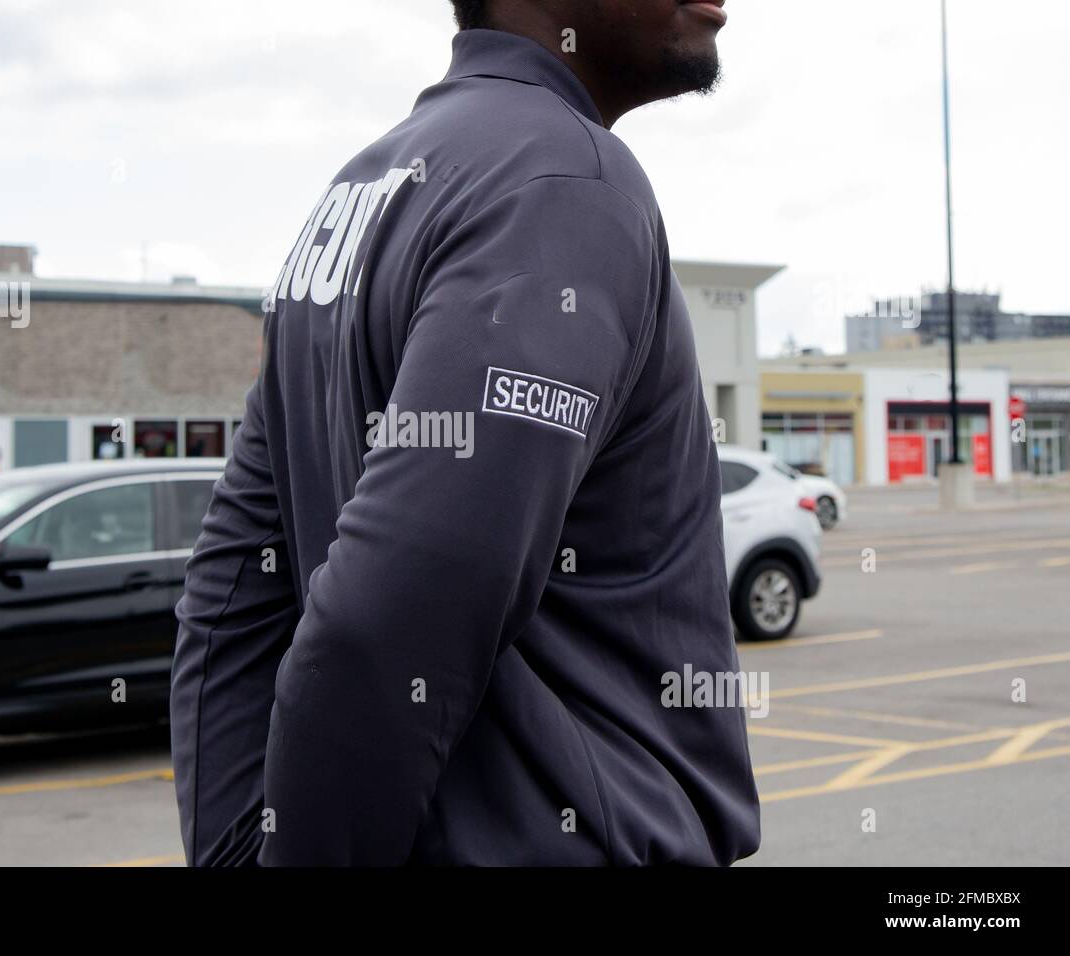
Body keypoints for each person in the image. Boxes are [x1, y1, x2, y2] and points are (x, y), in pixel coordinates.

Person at [171, 0, 759, 865]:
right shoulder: (570, 182)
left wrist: (235, 854)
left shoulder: (365, 186)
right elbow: (385, 620)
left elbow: (228, 598)